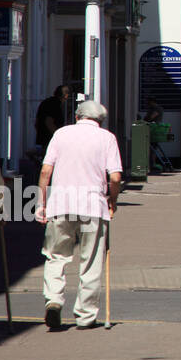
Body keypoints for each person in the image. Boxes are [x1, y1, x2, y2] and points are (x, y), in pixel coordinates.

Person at [36, 100, 122, 330]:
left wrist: (41, 204)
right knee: (90, 261)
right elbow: (114, 178)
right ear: (100, 120)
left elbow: (46, 171)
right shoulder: (107, 138)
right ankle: (85, 316)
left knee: (55, 256)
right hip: (93, 207)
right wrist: (112, 202)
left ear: (76, 116)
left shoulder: (61, 134)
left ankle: (54, 300)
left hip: (60, 205)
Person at [35, 85, 72, 150]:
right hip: (49, 138)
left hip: (44, 137)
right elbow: (49, 122)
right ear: (66, 95)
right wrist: (58, 136)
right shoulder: (54, 104)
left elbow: (37, 122)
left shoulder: (48, 102)